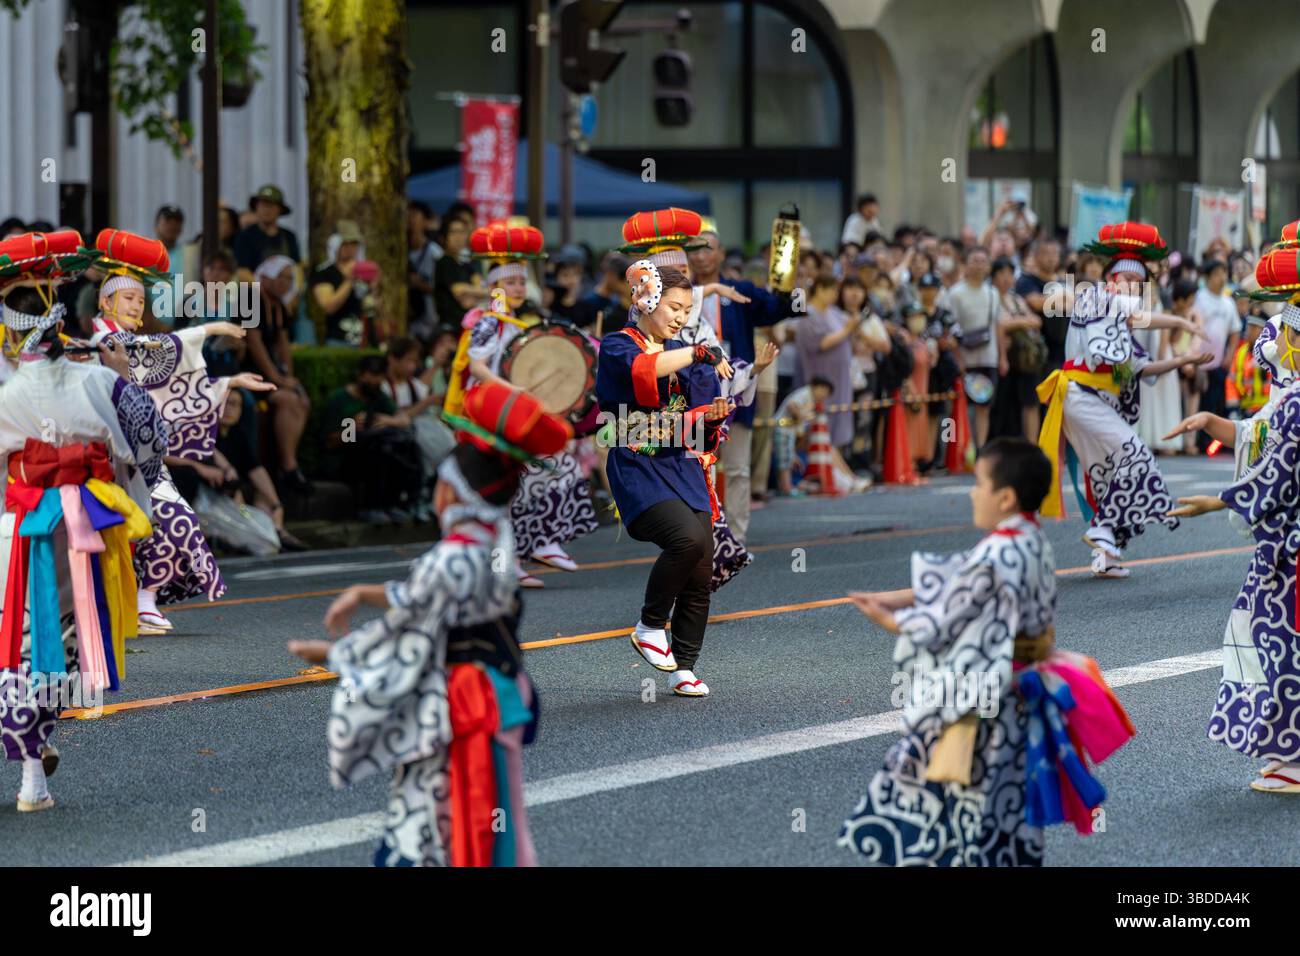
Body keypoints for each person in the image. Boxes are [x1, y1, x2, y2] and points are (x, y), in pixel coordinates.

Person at [289, 381, 568, 865]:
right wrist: (360, 592)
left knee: (436, 815)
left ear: (455, 492)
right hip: (499, 687)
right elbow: (426, 596)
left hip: (460, 700)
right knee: (489, 810)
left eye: (440, 484)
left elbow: (408, 626)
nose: (436, 494)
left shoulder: (453, 558)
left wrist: (332, 654)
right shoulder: (496, 534)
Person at [839, 437, 1135, 866]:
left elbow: (948, 619)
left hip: (988, 701)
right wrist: (898, 598)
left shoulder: (999, 550)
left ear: (1005, 497)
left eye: (979, 483)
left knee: (958, 802)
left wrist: (894, 621)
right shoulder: (1031, 537)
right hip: (1019, 696)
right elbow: (963, 575)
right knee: (1010, 810)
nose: (972, 493)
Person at [0, 231, 169, 812]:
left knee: (20, 645)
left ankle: (31, 769)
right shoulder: (99, 379)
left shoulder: (7, 392)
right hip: (83, 531)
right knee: (56, 647)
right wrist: (121, 373)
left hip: (15, 528)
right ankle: (34, 768)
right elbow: (151, 444)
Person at [88, 229, 274, 634]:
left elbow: (168, 371)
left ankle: (143, 598)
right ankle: (120, 603)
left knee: (178, 521)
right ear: (106, 302)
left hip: (139, 457)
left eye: (140, 299)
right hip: (101, 455)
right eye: (129, 299)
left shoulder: (131, 341)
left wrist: (230, 382)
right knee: (130, 526)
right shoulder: (99, 341)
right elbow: (166, 349)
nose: (137, 306)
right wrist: (208, 330)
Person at [1165, 240, 1300, 793]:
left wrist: (1216, 500)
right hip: (1286, 547)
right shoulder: (1291, 397)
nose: (1275, 347)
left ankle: (1292, 758)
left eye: (1283, 338)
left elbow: (1278, 473)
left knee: (1277, 644)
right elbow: (1257, 435)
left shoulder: (1296, 402)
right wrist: (1212, 423)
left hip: (1289, 552)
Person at [1036, 222, 1210, 578]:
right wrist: (1182, 321)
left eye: (1137, 282)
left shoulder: (1118, 320)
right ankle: (1102, 530)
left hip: (1091, 401)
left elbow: (1140, 369)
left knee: (1107, 476)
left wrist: (1184, 360)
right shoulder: (1096, 297)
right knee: (1135, 452)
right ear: (1112, 279)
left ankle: (1107, 552)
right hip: (1080, 395)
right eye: (1126, 279)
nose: (1132, 286)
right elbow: (1139, 315)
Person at [596, 261, 734, 697]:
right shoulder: (617, 345)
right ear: (646, 300)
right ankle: (650, 624)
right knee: (686, 539)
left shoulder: (682, 349)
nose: (680, 317)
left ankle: (684, 666)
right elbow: (643, 371)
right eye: (674, 306)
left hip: (681, 463)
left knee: (701, 562)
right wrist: (696, 352)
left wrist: (710, 417)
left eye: (687, 309)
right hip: (637, 464)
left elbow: (697, 412)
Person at [458, 222, 598, 587]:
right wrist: (515, 391)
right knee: (515, 483)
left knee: (552, 463)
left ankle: (536, 545)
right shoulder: (488, 322)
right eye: (511, 283)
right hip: (491, 409)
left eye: (522, 282)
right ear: (494, 288)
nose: (519, 288)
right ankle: (521, 554)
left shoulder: (517, 322)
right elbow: (478, 368)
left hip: (510, 405)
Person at [687, 228, 791, 543]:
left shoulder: (740, 290)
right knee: (694, 466)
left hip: (735, 384)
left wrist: (786, 277)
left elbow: (777, 308)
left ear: (721, 255)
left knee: (736, 468)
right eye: (695, 250)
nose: (702, 255)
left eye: (709, 249)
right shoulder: (680, 295)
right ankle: (695, 539)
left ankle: (736, 538)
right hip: (692, 389)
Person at [324, 355, 423, 524]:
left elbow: (403, 419)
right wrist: (352, 428)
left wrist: (387, 421)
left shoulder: (379, 398)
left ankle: (395, 503)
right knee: (375, 449)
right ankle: (370, 507)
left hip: (378, 451)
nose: (376, 380)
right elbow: (330, 443)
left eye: (380, 376)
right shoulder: (339, 399)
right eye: (372, 375)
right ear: (360, 375)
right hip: (346, 458)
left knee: (399, 444)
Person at [247, 255, 312, 493]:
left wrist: (289, 378)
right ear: (265, 277)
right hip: (249, 374)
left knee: (301, 400)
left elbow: (283, 346)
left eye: (289, 278)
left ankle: (287, 463)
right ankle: (289, 466)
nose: (286, 283)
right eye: (281, 277)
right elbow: (254, 344)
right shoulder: (250, 298)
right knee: (287, 399)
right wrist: (277, 379)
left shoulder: (280, 306)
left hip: (272, 375)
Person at [382, 336, 455, 521]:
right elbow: (398, 416)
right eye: (409, 361)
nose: (412, 367)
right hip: (399, 436)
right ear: (392, 360)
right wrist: (426, 403)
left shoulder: (413, 385)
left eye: (415, 362)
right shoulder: (382, 387)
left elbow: (423, 390)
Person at [942, 245, 1000, 448]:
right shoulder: (956, 293)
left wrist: (1002, 357)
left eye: (983, 261)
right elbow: (950, 327)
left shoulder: (993, 293)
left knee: (984, 406)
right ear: (965, 265)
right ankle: (956, 448)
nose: (978, 266)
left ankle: (980, 447)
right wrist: (957, 357)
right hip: (964, 357)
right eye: (974, 261)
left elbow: (997, 326)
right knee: (958, 405)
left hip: (988, 357)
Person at [310, 220, 369, 347]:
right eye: (345, 244)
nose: (350, 248)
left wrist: (373, 287)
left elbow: (372, 305)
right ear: (335, 245)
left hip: (364, 338)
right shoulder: (324, 273)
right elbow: (329, 306)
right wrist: (349, 281)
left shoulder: (364, 272)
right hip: (338, 339)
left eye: (354, 244)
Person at [233, 184, 301, 276]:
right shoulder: (245, 236)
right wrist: (264, 288)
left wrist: (291, 289)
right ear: (256, 208)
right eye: (263, 205)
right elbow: (242, 271)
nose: (267, 210)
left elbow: (296, 267)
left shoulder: (289, 236)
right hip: (253, 289)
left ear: (280, 210)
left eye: (271, 206)